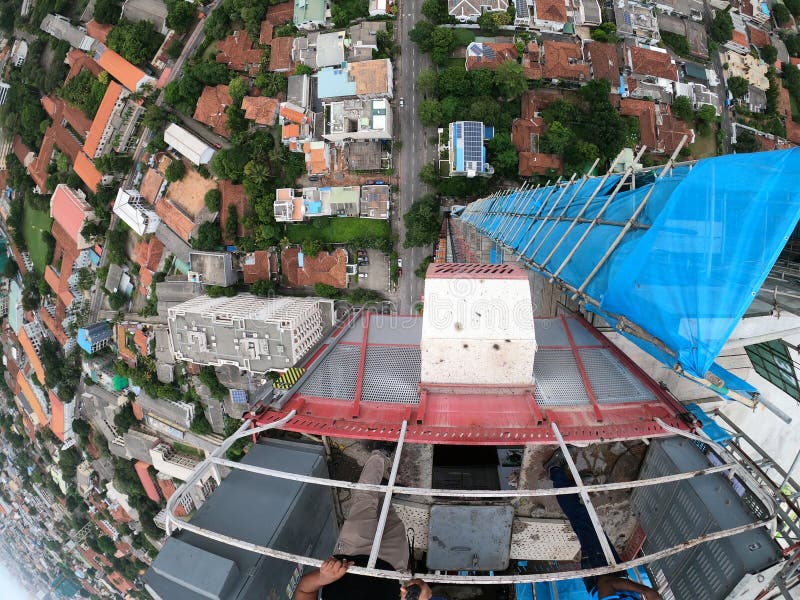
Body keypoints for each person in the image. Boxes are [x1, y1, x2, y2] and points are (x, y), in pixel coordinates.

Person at [294, 450, 435, 600]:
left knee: (365, 500)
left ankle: (381, 453)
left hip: (351, 555)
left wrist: (322, 577)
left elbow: (304, 591)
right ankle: (384, 489)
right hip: (392, 568)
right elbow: (420, 587)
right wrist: (418, 591)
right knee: (389, 515)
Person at [546, 449, 662, 600]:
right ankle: (570, 489)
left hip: (600, 573)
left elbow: (605, 583)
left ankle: (554, 471)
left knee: (581, 519)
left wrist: (647, 592)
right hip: (614, 575)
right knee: (586, 522)